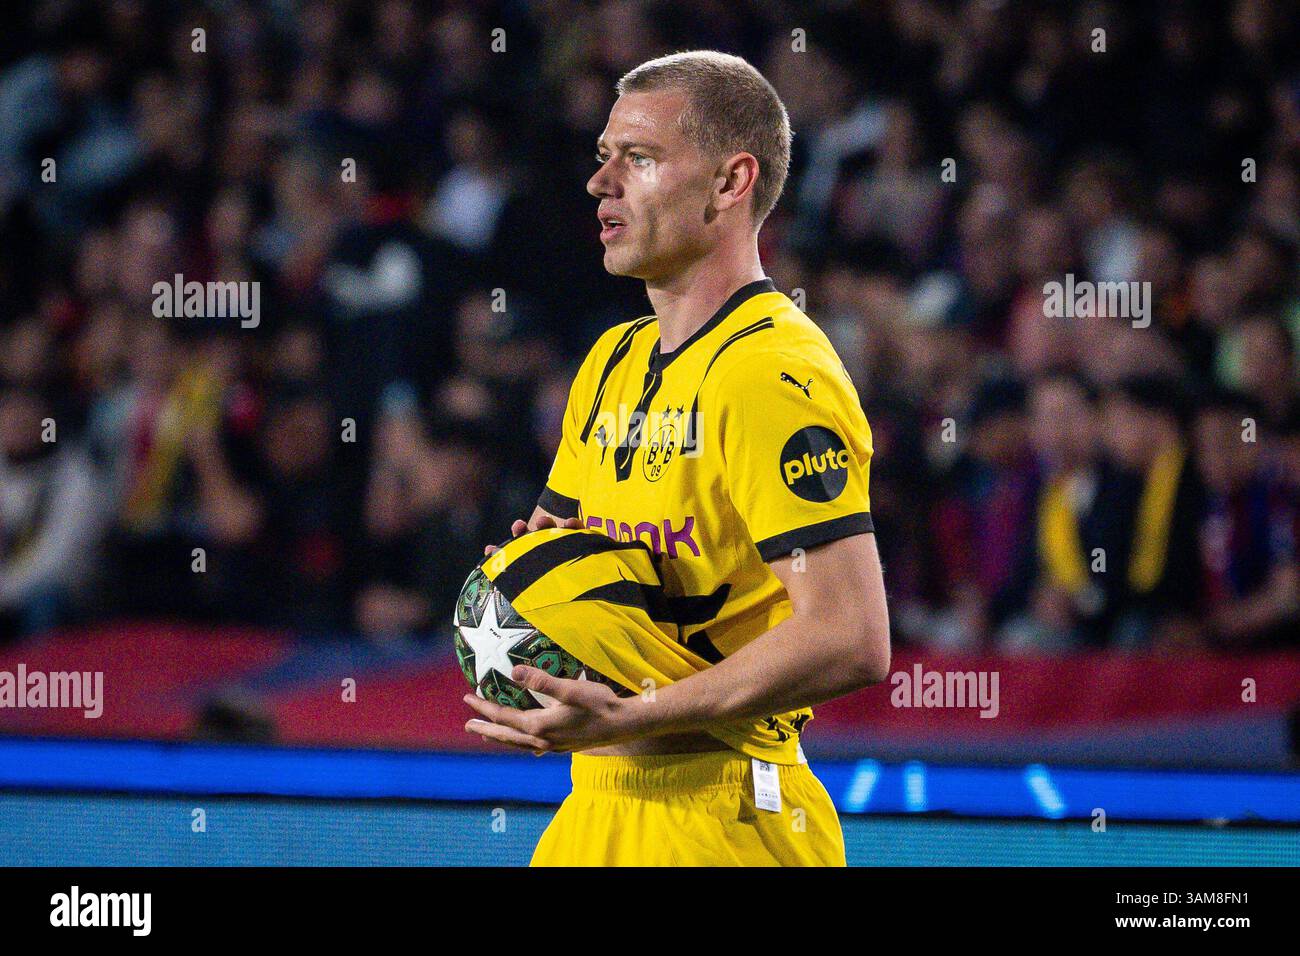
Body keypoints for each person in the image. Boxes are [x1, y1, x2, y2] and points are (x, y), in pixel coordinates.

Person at [461, 51, 891, 866]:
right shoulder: (611, 360)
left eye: (641, 158)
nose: (601, 183)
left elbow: (851, 635)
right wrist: (530, 595)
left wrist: (638, 711)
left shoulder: (773, 373)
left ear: (731, 184)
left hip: (726, 815)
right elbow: (569, 551)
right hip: (595, 805)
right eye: (603, 157)